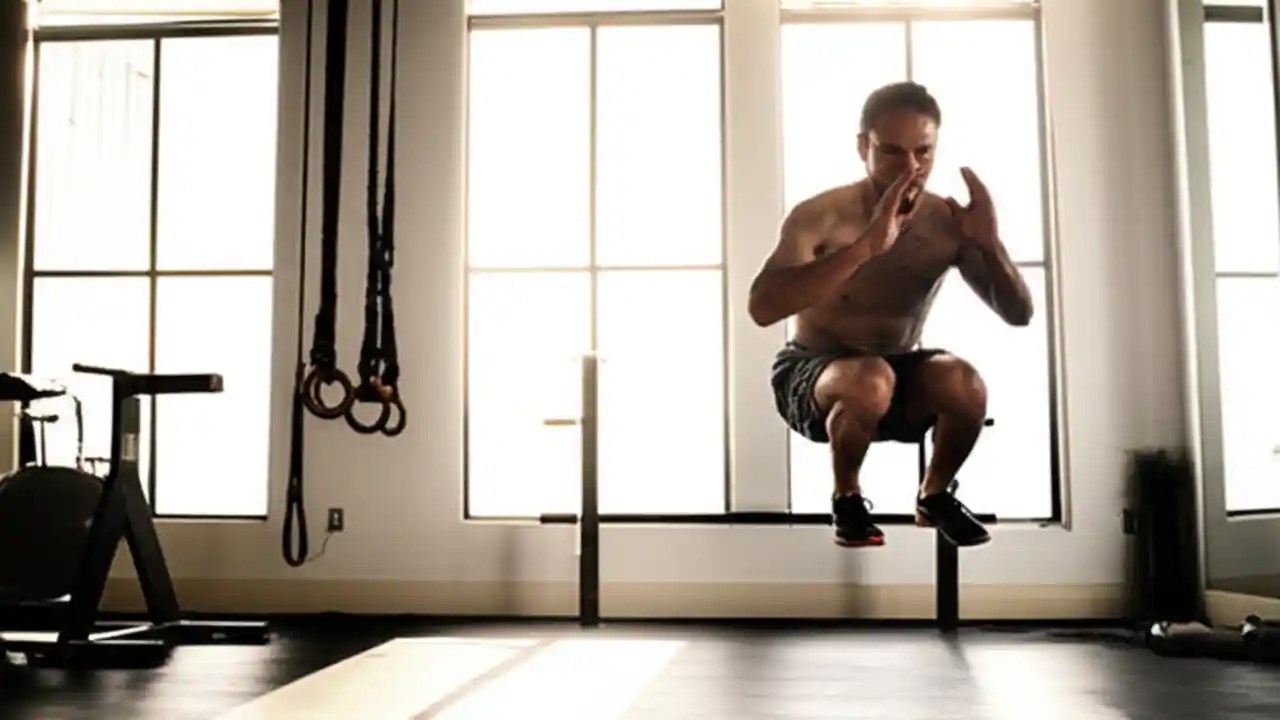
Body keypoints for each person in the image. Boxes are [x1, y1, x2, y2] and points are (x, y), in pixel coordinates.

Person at [748, 81, 1035, 549]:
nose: (911, 168)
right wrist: (864, 248)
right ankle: (847, 498)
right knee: (868, 378)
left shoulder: (947, 222)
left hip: (896, 371)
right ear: (864, 147)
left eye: (923, 152)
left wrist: (989, 244)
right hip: (811, 373)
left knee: (964, 382)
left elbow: (1019, 314)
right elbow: (762, 308)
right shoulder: (823, 214)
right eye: (892, 153)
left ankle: (935, 494)